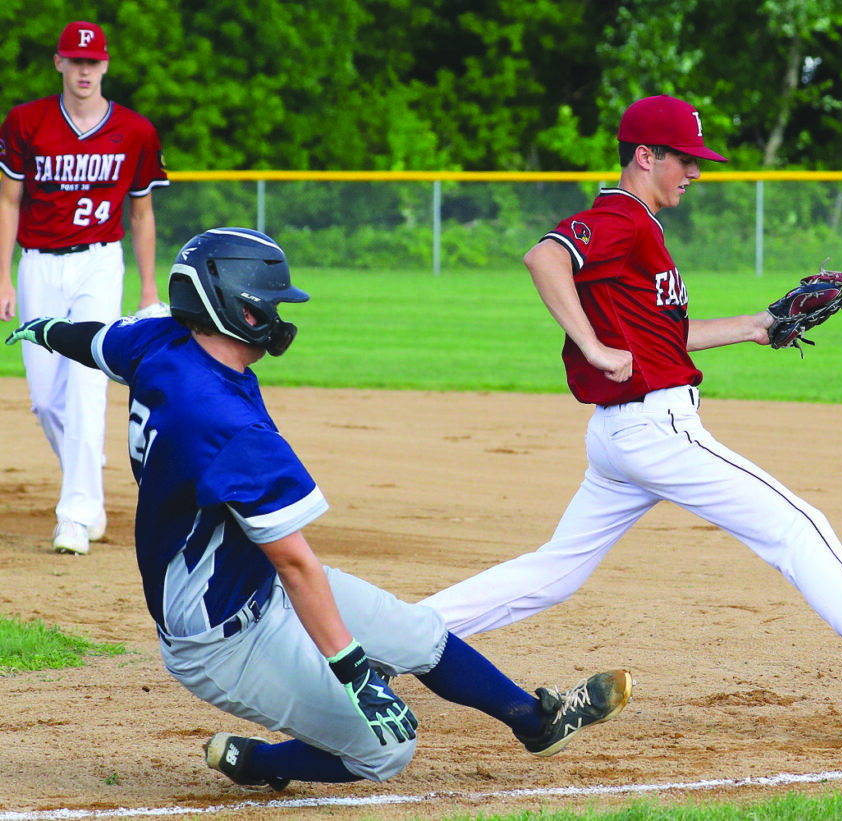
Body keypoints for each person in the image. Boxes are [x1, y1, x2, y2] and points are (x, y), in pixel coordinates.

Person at [420, 95, 842, 735]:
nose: (694, 172)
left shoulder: (644, 232)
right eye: (685, 159)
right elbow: (545, 256)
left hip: (621, 437)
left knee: (552, 573)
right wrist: (588, 343)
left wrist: (756, 326)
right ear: (645, 156)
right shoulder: (623, 217)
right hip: (655, 430)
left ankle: (388, 634)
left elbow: (666, 336)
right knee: (796, 527)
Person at [4, 227, 633, 788]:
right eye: (268, 304)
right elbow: (296, 565)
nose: (277, 315)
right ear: (234, 311)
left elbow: (97, 341)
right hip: (221, 638)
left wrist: (44, 331)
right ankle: (256, 762)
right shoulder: (226, 426)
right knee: (390, 748)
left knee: (419, 635)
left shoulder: (164, 343)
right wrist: (356, 673)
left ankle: (534, 720)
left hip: (248, 582)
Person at [0, 20, 170, 555]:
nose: (84, 70)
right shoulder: (26, 123)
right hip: (39, 264)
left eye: (92, 61)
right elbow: (8, 201)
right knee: (47, 401)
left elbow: (140, 214)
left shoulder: (135, 131)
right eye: (75, 60)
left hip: (100, 261)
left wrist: (148, 292)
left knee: (87, 385)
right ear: (59, 63)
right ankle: (86, 469)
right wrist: (1, 274)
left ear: (105, 65)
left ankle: (74, 516)